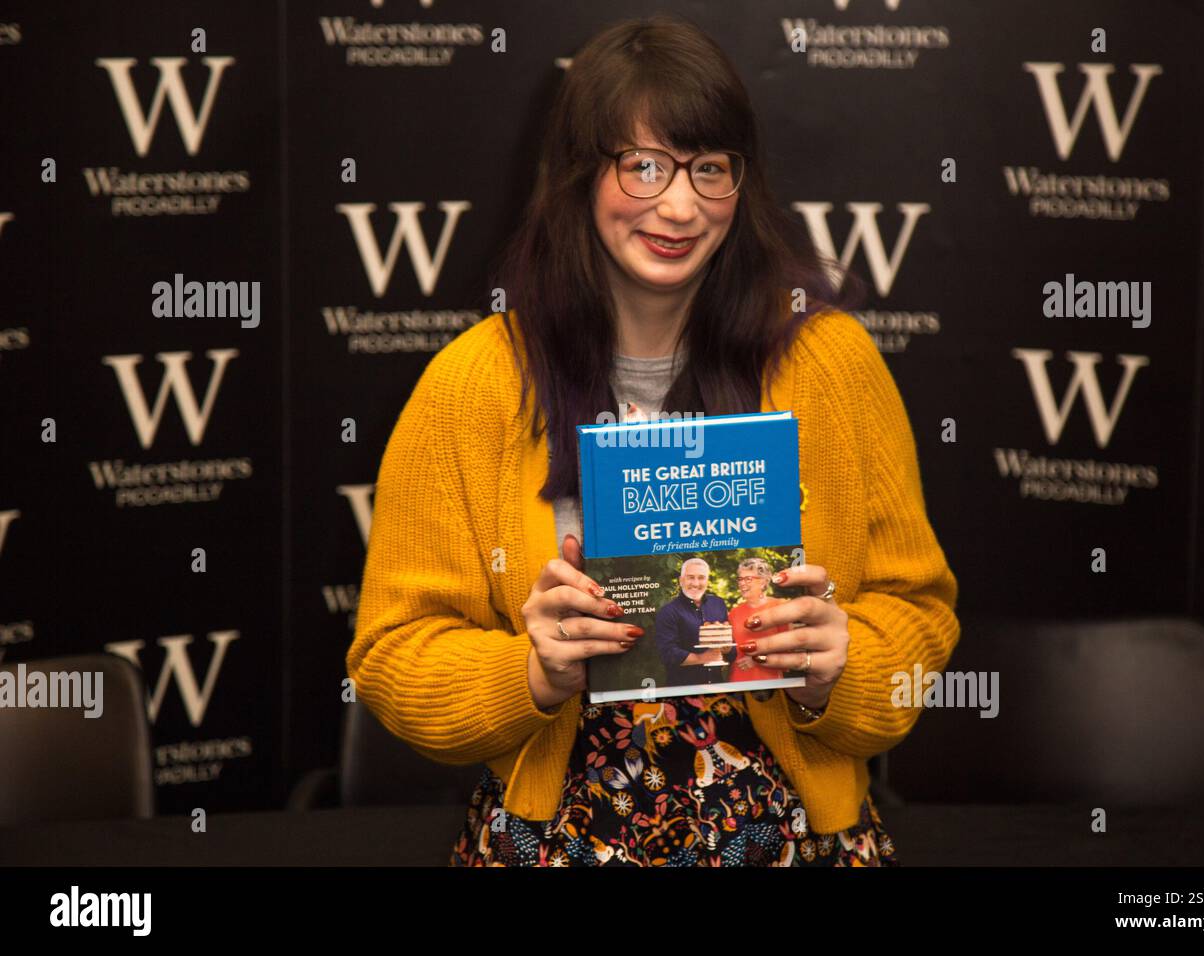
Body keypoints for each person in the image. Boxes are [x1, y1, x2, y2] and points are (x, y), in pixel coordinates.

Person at [347, 14, 959, 867]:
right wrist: (531, 673)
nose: (680, 205)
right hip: (556, 837)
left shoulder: (831, 363)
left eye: (710, 169)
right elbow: (392, 653)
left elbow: (918, 610)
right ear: (577, 176)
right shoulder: (474, 384)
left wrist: (839, 666)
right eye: (643, 166)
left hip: (795, 836)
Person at [654, 558, 735, 687]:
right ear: (681, 580)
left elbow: (731, 651)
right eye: (690, 577)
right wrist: (702, 658)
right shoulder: (668, 611)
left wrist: (727, 648)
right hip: (683, 688)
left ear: (707, 581)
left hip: (717, 685)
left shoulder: (718, 604)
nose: (696, 583)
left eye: (701, 578)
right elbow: (668, 653)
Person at [727, 558, 790, 684]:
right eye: (740, 579)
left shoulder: (780, 606)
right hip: (738, 680)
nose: (742, 583)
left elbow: (788, 651)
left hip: (770, 682)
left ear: (763, 581)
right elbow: (730, 652)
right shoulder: (734, 613)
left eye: (748, 579)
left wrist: (757, 659)